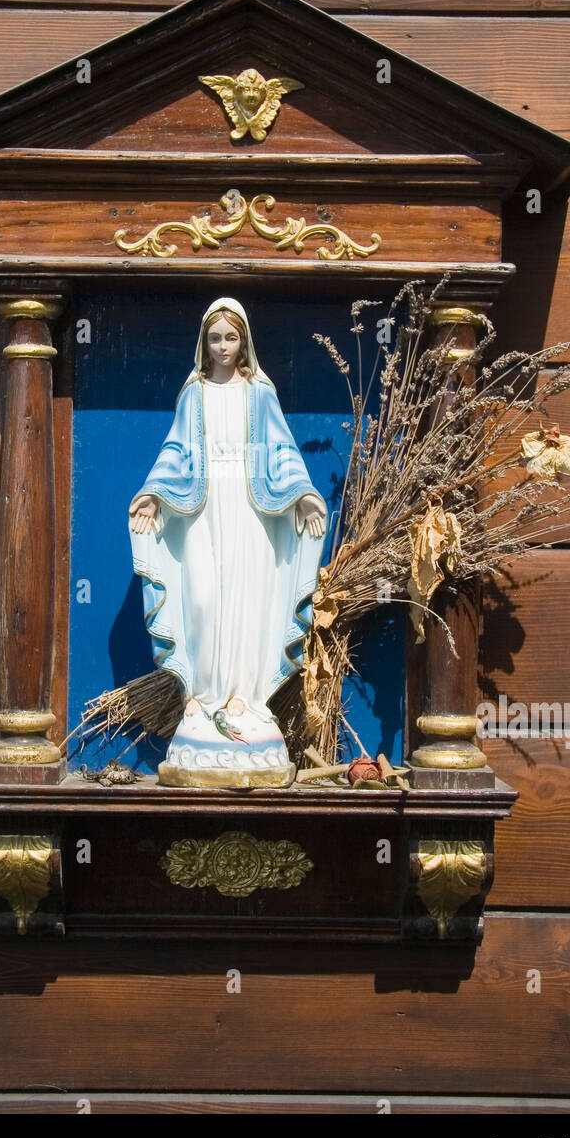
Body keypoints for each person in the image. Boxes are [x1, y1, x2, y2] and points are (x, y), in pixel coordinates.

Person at [129, 297, 327, 787]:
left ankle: (244, 698)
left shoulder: (260, 392)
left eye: (230, 337)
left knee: (245, 598)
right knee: (202, 597)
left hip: (250, 509)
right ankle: (203, 698)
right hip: (201, 509)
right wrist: (154, 495)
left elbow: (281, 449)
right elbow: (175, 449)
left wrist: (302, 495)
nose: (222, 346)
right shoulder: (193, 393)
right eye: (215, 337)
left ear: (244, 342)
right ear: (204, 341)